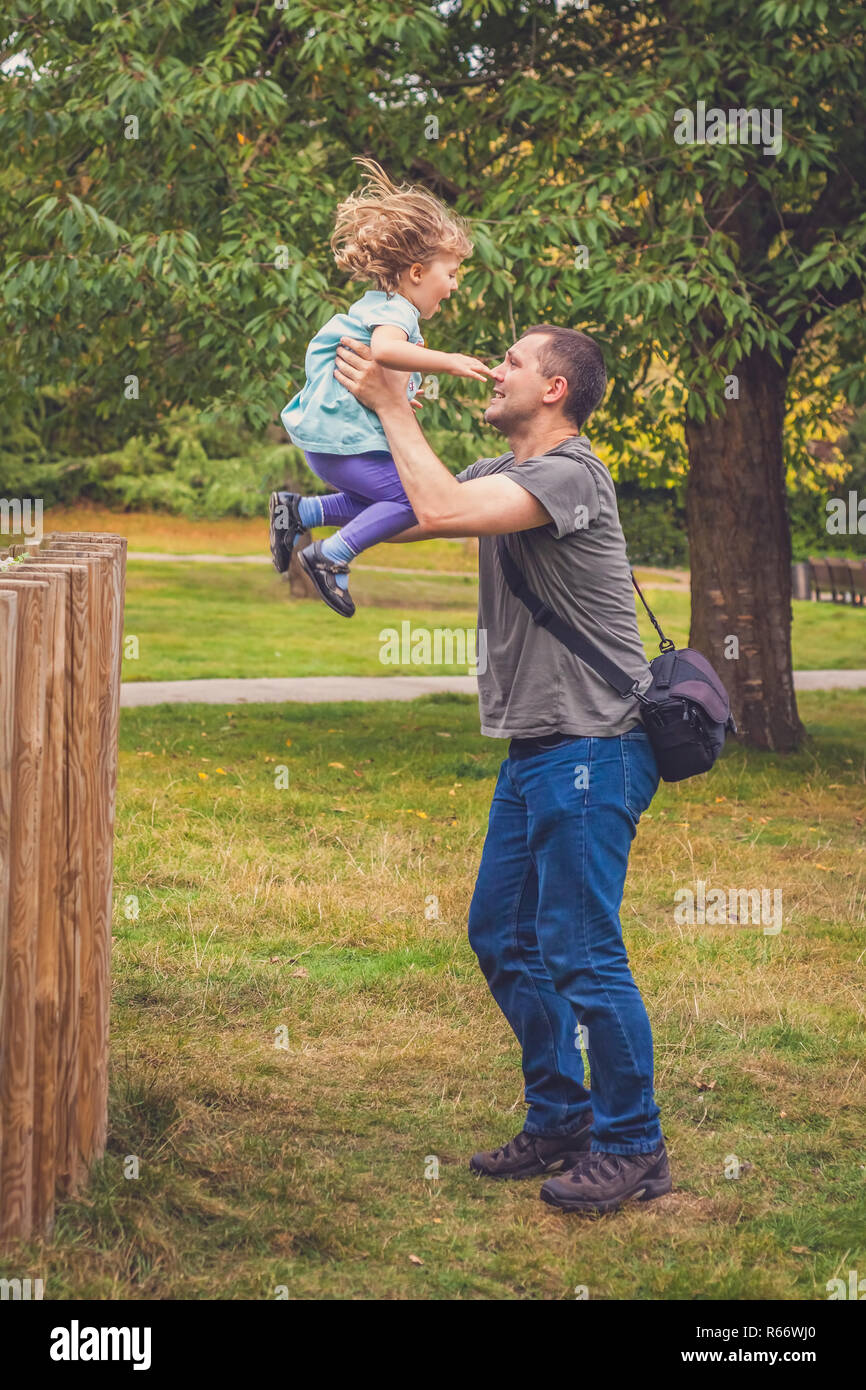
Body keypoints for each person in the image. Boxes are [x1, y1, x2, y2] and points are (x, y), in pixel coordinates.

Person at [331, 324, 672, 1216]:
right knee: (504, 936)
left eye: (515, 361)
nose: (498, 367)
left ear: (555, 389)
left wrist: (395, 404)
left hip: (596, 745)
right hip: (538, 751)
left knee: (583, 953)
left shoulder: (569, 476)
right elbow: (415, 508)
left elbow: (440, 511)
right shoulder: (498, 474)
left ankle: (634, 1143)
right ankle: (563, 1115)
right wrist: (322, 501)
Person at [269, 158, 491, 617]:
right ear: (415, 273)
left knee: (382, 500)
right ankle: (330, 555)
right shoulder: (397, 313)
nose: (452, 288)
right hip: (342, 445)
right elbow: (387, 352)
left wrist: (400, 392)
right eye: (449, 275)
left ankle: (300, 514)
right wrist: (447, 362)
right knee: (419, 500)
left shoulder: (382, 306)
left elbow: (383, 365)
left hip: (334, 443)